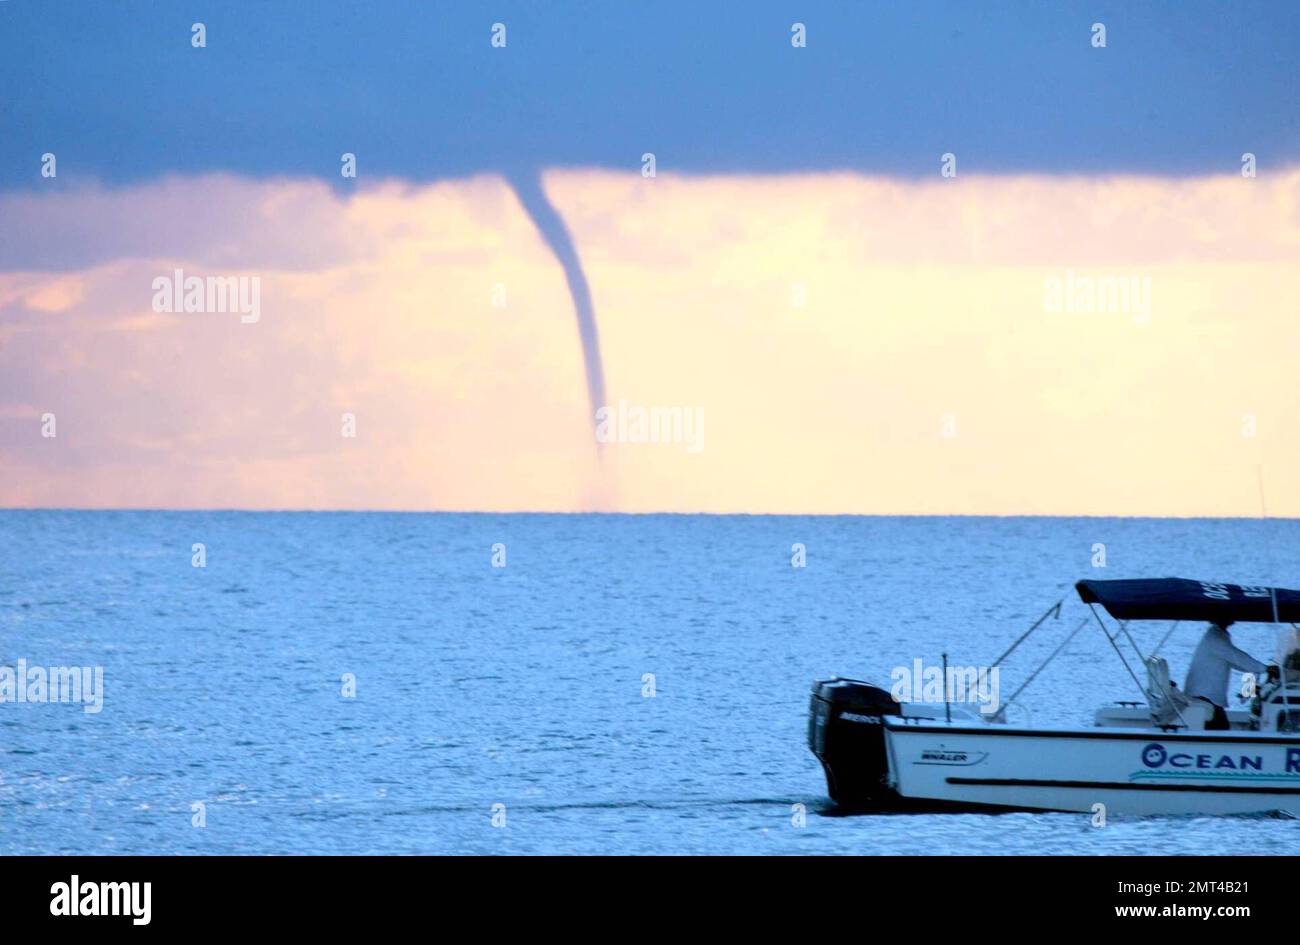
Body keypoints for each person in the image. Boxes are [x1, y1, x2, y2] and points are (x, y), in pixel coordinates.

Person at [1184, 620, 1278, 730]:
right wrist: (1264, 668)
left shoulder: (1218, 634)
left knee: (1222, 726)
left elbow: (1233, 660)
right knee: (1221, 727)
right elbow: (1235, 656)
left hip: (1207, 696)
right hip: (1204, 696)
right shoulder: (1215, 638)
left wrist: (1260, 669)